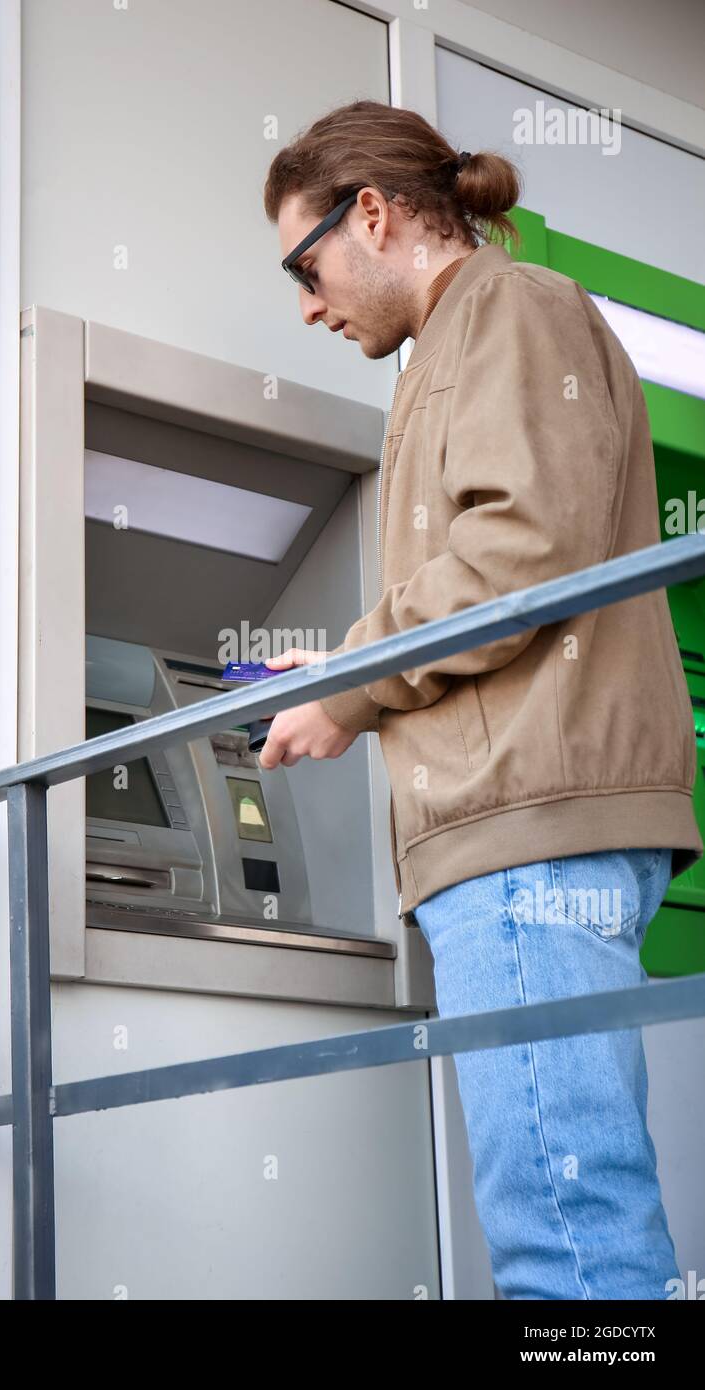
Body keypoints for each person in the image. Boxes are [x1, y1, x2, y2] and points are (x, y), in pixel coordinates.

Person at [258, 99, 703, 1300]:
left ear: (374, 213)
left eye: (306, 264)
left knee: (565, 1236)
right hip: (509, 830)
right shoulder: (457, 341)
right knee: (566, 1218)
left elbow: (523, 552)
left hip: (524, 826)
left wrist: (352, 686)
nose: (306, 302)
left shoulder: (508, 308)